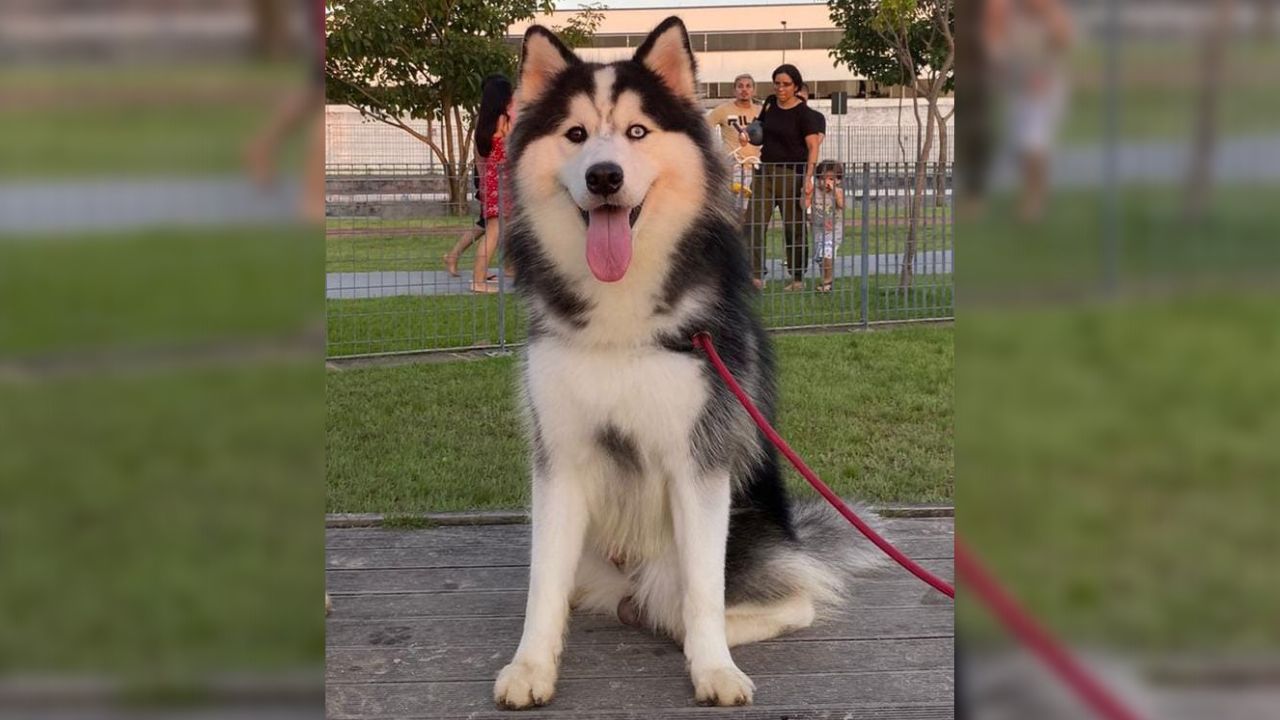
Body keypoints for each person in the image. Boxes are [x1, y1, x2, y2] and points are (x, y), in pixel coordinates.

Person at [742, 65, 823, 291]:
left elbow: (813, 146)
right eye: (777, 83)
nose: (780, 88)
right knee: (753, 223)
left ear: (796, 86)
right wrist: (746, 135)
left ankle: (797, 278)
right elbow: (758, 131)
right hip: (765, 171)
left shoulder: (804, 113)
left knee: (794, 227)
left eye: (785, 84)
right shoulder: (769, 103)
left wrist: (808, 179)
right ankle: (755, 276)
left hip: (792, 175)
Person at [469, 75, 516, 294]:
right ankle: (478, 281)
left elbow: (481, 160)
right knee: (494, 232)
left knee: (498, 230)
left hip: (490, 182)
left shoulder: (482, 124)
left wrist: (484, 187)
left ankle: (508, 267)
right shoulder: (505, 121)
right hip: (504, 181)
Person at [706, 74, 762, 207]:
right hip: (733, 166)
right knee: (734, 208)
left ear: (753, 90)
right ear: (734, 90)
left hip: (756, 166)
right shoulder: (723, 110)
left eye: (748, 86)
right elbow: (704, 127)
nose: (744, 90)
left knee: (751, 209)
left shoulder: (761, 111)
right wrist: (716, 152)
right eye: (740, 86)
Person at [807, 160, 844, 294]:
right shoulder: (814, 191)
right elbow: (805, 206)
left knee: (827, 253)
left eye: (831, 179)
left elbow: (841, 205)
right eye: (822, 178)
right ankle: (827, 283)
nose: (826, 182)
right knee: (821, 258)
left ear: (838, 181)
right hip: (818, 230)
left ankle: (827, 281)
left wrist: (834, 192)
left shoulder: (838, 192)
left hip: (833, 231)